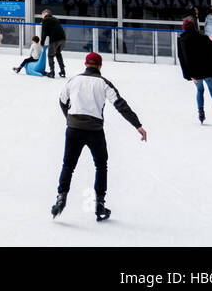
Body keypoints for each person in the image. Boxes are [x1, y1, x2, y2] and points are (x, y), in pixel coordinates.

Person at [50, 53, 146, 222]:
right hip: (95, 131)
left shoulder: (73, 80)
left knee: (68, 165)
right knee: (101, 165)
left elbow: (62, 100)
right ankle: (100, 204)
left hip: (74, 129)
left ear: (86, 63)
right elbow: (120, 105)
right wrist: (137, 125)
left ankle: (61, 197)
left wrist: (69, 118)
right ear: (100, 66)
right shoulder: (103, 83)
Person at [178, 16, 212, 126]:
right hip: (208, 71)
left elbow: (182, 58)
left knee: (200, 91)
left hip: (195, 73)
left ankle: (201, 112)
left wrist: (188, 75)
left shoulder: (182, 41)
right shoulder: (202, 38)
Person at [40, 9, 67, 78]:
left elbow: (44, 33)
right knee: (58, 54)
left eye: (42, 15)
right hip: (63, 39)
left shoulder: (45, 20)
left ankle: (52, 72)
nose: (42, 16)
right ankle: (62, 71)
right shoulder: (56, 19)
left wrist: (42, 42)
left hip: (55, 40)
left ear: (45, 14)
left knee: (50, 55)